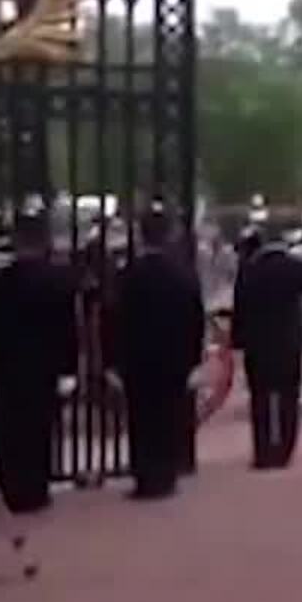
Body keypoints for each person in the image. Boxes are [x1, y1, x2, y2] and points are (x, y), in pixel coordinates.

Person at [0, 208, 77, 514]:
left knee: (9, 433)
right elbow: (67, 329)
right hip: (45, 369)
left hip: (6, 370)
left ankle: (14, 488)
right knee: (40, 430)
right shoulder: (57, 282)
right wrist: (68, 369)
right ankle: (37, 488)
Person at [105, 206, 206, 502]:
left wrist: (113, 359)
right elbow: (194, 318)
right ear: (170, 236)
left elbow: (113, 318)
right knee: (169, 415)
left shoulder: (129, 275)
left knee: (141, 418)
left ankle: (145, 475)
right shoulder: (183, 275)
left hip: (137, 357)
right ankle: (167, 472)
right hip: (174, 357)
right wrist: (193, 358)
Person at [233, 222, 302, 471]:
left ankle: (264, 451)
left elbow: (241, 308)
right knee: (289, 396)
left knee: (261, 399)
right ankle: (285, 449)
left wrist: (238, 340)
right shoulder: (298, 268)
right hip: (289, 340)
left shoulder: (249, 270)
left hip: (259, 342)